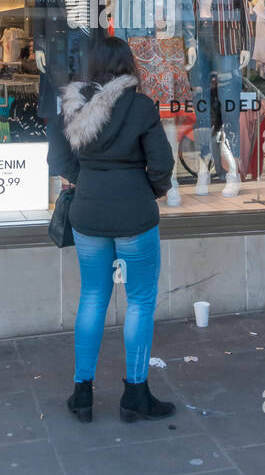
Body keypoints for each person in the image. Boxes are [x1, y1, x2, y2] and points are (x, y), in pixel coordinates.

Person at [53, 31, 176, 424]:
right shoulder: (140, 106)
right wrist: (149, 190)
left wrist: (85, 178)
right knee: (139, 300)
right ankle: (135, 394)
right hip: (134, 215)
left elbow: (59, 157)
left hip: (87, 213)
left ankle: (82, 394)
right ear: (127, 65)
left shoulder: (71, 106)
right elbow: (162, 163)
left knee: (92, 296)